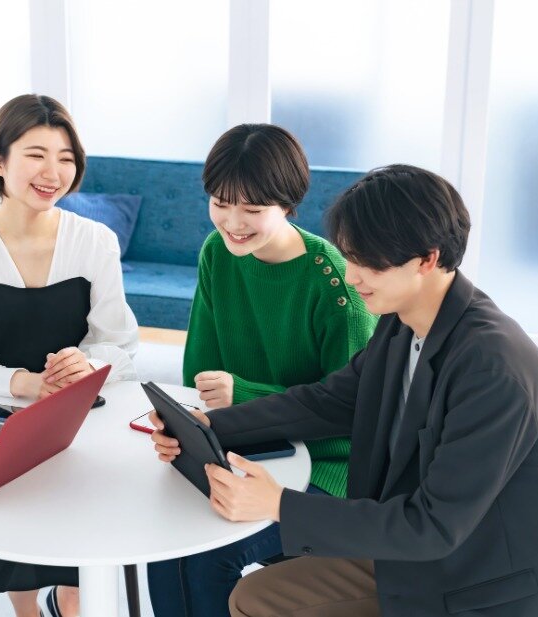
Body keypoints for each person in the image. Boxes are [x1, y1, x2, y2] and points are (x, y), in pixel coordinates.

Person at [150, 164, 538, 617]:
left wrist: (278, 504)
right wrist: (209, 427)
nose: (352, 276)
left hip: (481, 585)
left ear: (427, 260)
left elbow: (433, 526)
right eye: (351, 257)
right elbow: (331, 400)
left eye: (370, 264)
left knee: (252, 599)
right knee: (248, 594)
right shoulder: (403, 321)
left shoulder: (493, 369)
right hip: (418, 553)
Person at [146, 123, 376, 617]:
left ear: (288, 205)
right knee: (165, 537)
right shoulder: (217, 253)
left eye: (252, 210)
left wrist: (244, 394)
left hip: (329, 467)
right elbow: (198, 378)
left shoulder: (336, 285)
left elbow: (353, 413)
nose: (232, 223)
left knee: (203, 553)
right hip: (245, 445)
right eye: (220, 203)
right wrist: (184, 429)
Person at [0, 93, 139, 617]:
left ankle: (70, 600)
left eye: (66, 158)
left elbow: (121, 342)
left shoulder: (95, 241)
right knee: (11, 534)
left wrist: (88, 365)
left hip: (81, 419)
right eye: (36, 155)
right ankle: (27, 608)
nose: (53, 172)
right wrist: (24, 383)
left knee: (91, 526)